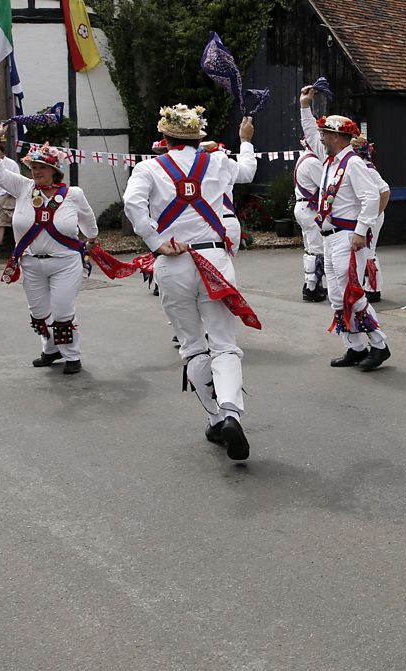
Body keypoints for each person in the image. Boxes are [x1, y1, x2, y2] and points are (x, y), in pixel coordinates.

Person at [123, 104, 257, 461]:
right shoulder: (216, 162)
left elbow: (132, 203)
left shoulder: (148, 168)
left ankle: (215, 417)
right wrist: (245, 141)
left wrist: (155, 242)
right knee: (224, 344)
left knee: (193, 346)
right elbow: (246, 172)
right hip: (213, 259)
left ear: (163, 138)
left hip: (173, 260)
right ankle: (230, 413)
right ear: (199, 138)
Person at [0, 127, 98, 375]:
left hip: (66, 262)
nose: (35, 172)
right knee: (38, 313)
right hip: (31, 263)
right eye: (33, 167)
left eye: (41, 168)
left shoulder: (73, 194)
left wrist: (91, 239)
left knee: (61, 311)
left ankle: (72, 355)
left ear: (54, 171)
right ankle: (51, 349)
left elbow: (88, 219)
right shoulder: (23, 188)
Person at [298, 86, 391, 371]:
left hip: (347, 238)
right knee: (338, 296)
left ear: (337, 137)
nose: (321, 137)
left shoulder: (353, 164)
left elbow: (372, 196)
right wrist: (305, 106)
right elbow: (311, 134)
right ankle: (355, 347)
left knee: (352, 293)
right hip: (331, 237)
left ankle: (379, 345)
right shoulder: (330, 161)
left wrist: (361, 231)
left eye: (326, 133)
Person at [351, 135, 392, 302]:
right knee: (366, 251)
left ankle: (373, 289)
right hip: (368, 216)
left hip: (372, 217)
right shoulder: (361, 167)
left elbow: (385, 191)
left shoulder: (368, 170)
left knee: (369, 251)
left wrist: (374, 215)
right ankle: (368, 286)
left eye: (353, 149)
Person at [293, 138, 328, 302]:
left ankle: (309, 283)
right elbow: (326, 185)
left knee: (310, 248)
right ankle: (312, 288)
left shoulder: (303, 157)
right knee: (316, 249)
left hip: (303, 207)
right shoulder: (313, 162)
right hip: (310, 209)